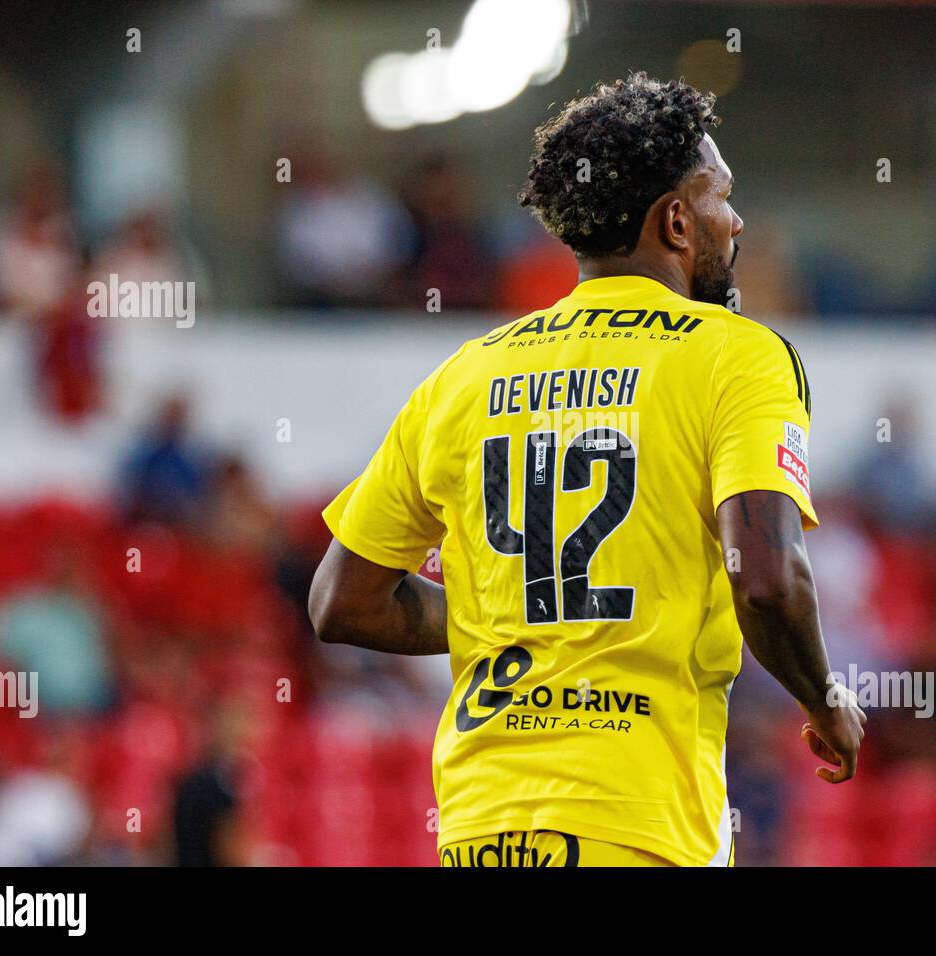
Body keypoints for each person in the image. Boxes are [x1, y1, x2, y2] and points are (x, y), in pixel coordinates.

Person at [309, 73, 865, 868]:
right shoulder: (736, 356)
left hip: (479, 828)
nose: (735, 221)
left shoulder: (464, 377)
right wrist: (823, 698)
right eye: (721, 197)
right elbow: (768, 578)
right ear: (676, 220)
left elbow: (341, 601)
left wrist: (507, 619)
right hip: (639, 825)